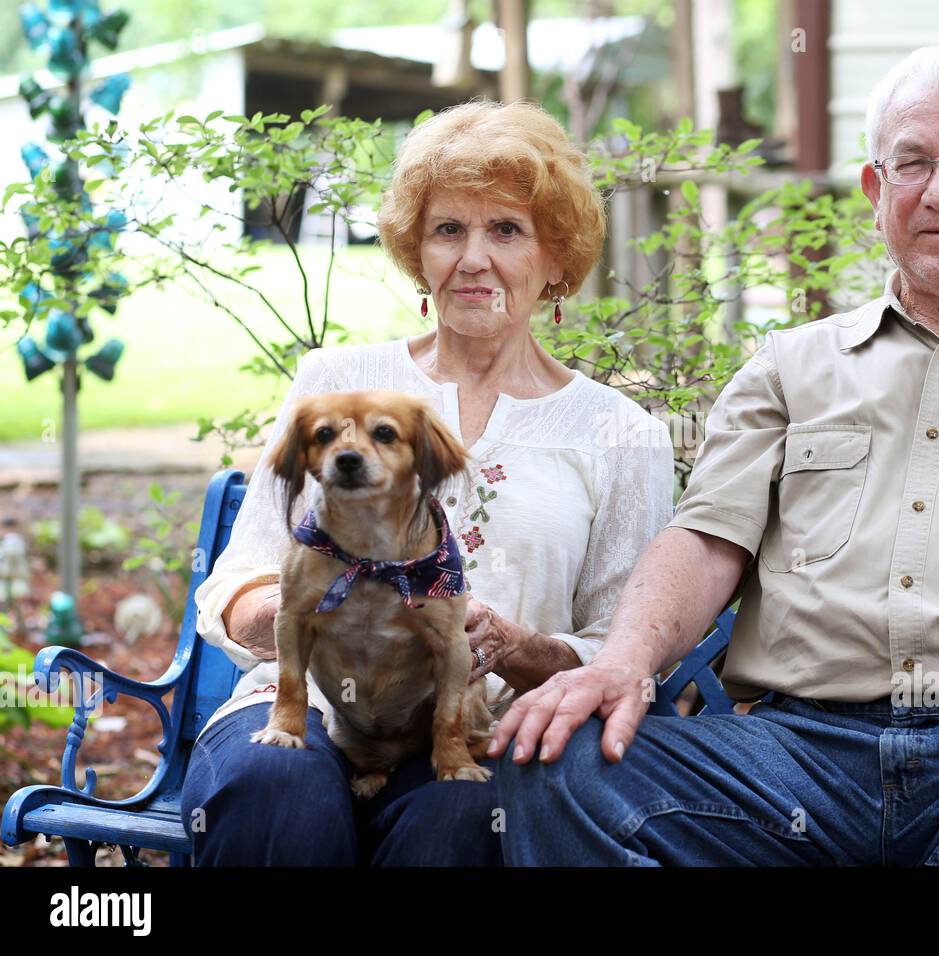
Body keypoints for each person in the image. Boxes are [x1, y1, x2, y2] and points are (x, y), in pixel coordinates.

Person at [490, 43, 939, 866]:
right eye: (911, 164)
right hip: (792, 759)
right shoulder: (790, 367)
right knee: (559, 764)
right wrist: (621, 662)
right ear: (876, 192)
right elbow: (704, 539)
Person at [180, 100, 674, 866]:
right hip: (305, 709)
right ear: (420, 250)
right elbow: (236, 584)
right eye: (449, 230)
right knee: (277, 784)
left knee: (461, 819)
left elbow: (623, 654)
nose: (473, 258)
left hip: (482, 730)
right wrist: (316, 612)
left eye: (505, 230)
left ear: (555, 257)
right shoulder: (338, 381)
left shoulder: (619, 431)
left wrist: (513, 645)